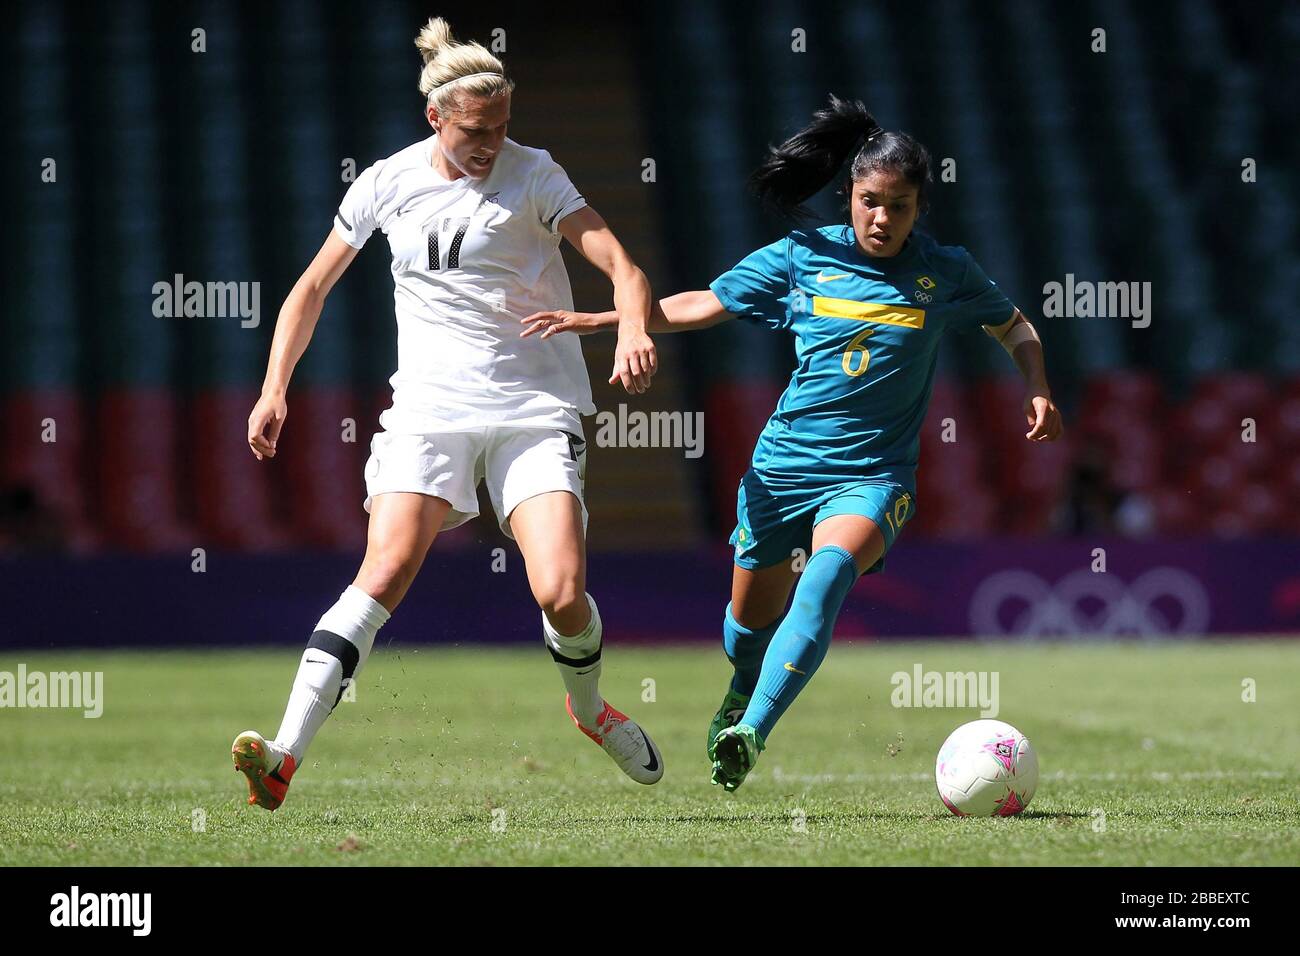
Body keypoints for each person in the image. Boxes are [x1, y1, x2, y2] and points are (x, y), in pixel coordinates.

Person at [522, 96, 1064, 791]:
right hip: (782, 470)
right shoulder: (804, 255)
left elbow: (1015, 326)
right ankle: (743, 688)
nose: (881, 218)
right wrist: (607, 318)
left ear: (919, 208)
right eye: (870, 202)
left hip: (874, 476)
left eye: (898, 207)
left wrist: (1038, 384)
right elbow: (705, 303)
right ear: (850, 196)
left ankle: (753, 731)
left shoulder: (945, 271)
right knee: (746, 629)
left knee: (827, 576)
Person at [233, 17, 663, 811]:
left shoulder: (536, 175)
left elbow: (620, 265)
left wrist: (632, 325)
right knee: (385, 569)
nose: (491, 143)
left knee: (560, 590)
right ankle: (284, 754)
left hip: (534, 409)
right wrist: (273, 387)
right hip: (430, 410)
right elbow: (310, 289)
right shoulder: (386, 182)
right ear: (436, 117)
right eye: (476, 129)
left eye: (502, 127)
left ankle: (591, 708)